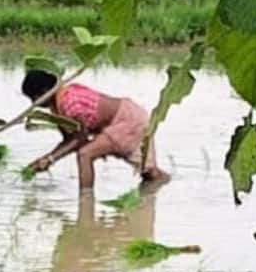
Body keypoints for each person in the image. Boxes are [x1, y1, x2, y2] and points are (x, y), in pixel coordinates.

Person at [21, 70, 168, 189]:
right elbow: (69, 141)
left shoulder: (69, 101)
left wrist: (50, 159)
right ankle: (161, 188)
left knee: (85, 154)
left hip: (127, 121)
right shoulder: (57, 107)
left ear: (45, 91)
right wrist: (46, 159)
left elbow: (80, 137)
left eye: (35, 98)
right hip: (127, 117)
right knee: (150, 175)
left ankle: (85, 203)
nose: (35, 103)